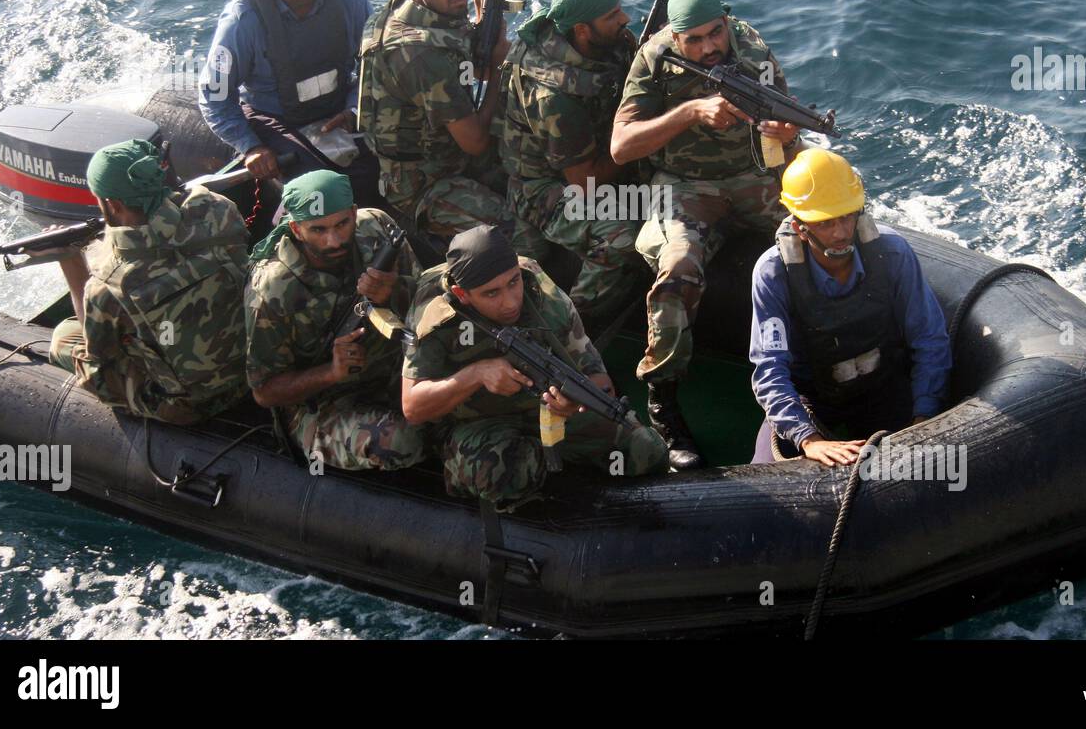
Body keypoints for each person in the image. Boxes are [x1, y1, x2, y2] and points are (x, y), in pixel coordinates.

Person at [609, 0, 801, 469]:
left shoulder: (752, 47)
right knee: (677, 269)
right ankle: (664, 399)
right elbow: (622, 145)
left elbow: (786, 121)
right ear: (675, 39)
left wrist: (787, 131)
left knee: (816, 237)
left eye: (715, 33)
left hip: (752, 175)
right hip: (686, 185)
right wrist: (690, 113)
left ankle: (818, 372)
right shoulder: (653, 60)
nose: (708, 47)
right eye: (693, 40)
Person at [401, 225, 668, 506]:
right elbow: (413, 407)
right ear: (463, 293)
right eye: (491, 294)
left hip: (547, 411)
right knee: (501, 473)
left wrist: (572, 405)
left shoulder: (544, 296)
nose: (509, 302)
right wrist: (476, 375)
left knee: (646, 450)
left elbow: (597, 378)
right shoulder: (434, 312)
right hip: (478, 421)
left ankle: (543, 464)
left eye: (513, 282)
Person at [748, 150, 951, 465]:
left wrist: (923, 414)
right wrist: (807, 438)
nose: (841, 232)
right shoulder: (773, 273)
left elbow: (929, 337)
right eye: (826, 223)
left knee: (932, 468)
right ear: (800, 226)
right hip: (812, 397)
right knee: (765, 473)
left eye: (846, 216)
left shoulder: (892, 254)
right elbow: (770, 366)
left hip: (881, 385)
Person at [48, 139, 249, 424]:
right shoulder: (219, 210)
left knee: (64, 336)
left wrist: (70, 262)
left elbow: (101, 358)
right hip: (255, 368)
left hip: (192, 406)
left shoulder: (106, 284)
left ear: (113, 204)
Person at [198, 0, 383, 206]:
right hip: (273, 119)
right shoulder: (241, 22)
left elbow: (374, 68)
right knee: (320, 190)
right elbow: (214, 96)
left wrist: (353, 109)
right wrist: (251, 147)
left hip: (339, 109)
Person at [244, 170, 428, 471]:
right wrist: (331, 372)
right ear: (296, 229)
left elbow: (427, 301)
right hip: (323, 402)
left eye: (342, 224)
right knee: (400, 443)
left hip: (393, 364)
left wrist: (396, 288)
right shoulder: (272, 290)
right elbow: (265, 391)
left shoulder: (377, 229)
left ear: (354, 213)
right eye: (318, 230)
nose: (333, 241)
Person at [357, 0, 524, 247]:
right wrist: (502, 67)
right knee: (510, 223)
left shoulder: (405, 4)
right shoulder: (419, 53)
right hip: (422, 184)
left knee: (532, 165)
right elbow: (475, 142)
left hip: (446, 151)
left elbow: (463, 53)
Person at [499, 0, 646, 328]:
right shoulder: (554, 97)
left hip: (590, 154)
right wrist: (636, 139)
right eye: (612, 15)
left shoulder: (603, 44)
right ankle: (571, 325)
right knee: (621, 239)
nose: (624, 19)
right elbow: (585, 184)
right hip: (542, 188)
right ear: (582, 29)